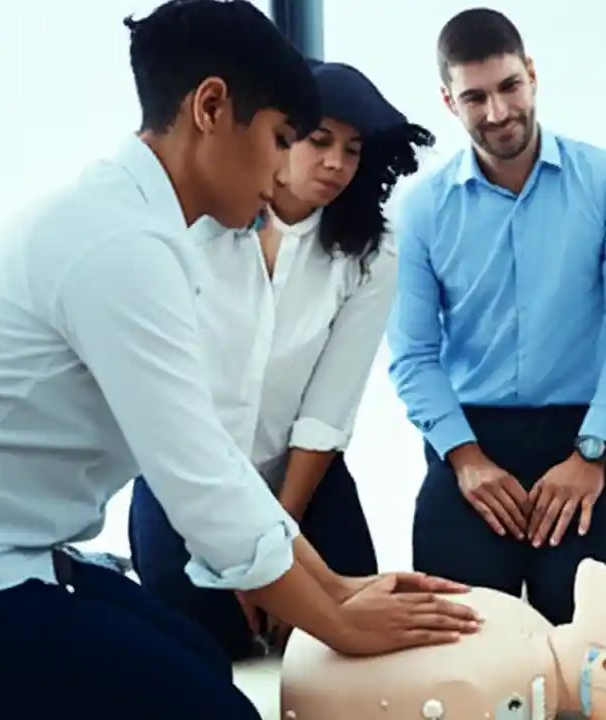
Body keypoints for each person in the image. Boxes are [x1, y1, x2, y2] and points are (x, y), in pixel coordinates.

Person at [0, 2, 477, 717]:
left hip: (6, 552)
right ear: (210, 108)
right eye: (282, 139)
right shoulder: (121, 244)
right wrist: (341, 622)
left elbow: (215, 453)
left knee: (199, 659)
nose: (284, 169)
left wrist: (335, 588)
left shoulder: (140, 224)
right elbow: (200, 481)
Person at [128, 58, 437, 661]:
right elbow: (171, 412)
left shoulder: (372, 254)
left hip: (299, 479)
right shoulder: (195, 232)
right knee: (204, 639)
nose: (335, 163)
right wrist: (246, 554)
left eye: (352, 150)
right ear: (280, 135)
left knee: (347, 638)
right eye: (319, 141)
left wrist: (274, 545)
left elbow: (327, 411)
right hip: (182, 475)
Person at [387, 7, 606, 626]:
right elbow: (412, 354)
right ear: (448, 100)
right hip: (471, 438)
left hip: (586, 433)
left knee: (584, 631)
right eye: (474, 97)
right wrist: (466, 460)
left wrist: (591, 455)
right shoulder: (421, 210)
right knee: (464, 631)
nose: (497, 112)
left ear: (532, 75)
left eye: (509, 86)